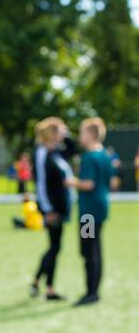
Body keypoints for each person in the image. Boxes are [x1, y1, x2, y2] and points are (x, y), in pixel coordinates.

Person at [66, 118, 116, 306]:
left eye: (82, 132)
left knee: (89, 251)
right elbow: (111, 182)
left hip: (88, 213)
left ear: (91, 134)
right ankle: (94, 290)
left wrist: (71, 182)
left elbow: (88, 184)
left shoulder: (89, 156)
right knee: (95, 248)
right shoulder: (104, 154)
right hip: (101, 207)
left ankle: (91, 292)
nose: (80, 136)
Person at [30, 117, 72, 301]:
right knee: (55, 247)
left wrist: (66, 135)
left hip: (60, 208)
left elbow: (74, 149)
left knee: (55, 247)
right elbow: (40, 185)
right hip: (51, 209)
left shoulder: (56, 151)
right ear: (52, 133)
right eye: (61, 130)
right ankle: (46, 287)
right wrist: (47, 210)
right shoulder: (41, 153)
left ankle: (40, 283)